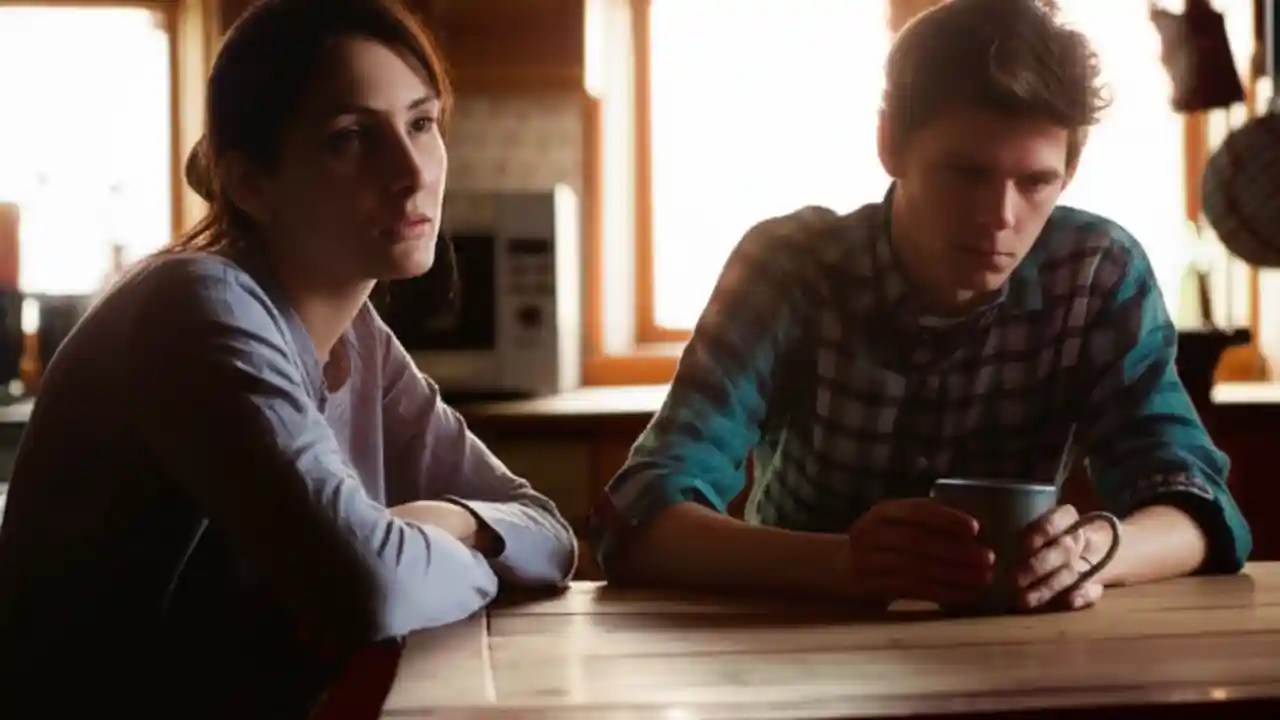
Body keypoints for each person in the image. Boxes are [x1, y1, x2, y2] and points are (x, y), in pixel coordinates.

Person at [0, 0, 576, 714]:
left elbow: (550, 534)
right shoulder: (198, 307)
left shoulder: (357, 335)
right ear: (250, 184)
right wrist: (466, 551)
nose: (411, 171)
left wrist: (444, 520)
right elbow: (371, 586)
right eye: (351, 137)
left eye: (422, 123)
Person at [590, 0, 1251, 613]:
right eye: (966, 173)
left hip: (1015, 660)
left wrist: (1091, 555)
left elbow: (1200, 506)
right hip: (800, 641)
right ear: (890, 145)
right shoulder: (793, 266)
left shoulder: (1098, 272)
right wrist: (843, 565)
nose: (1000, 218)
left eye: (1035, 182)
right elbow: (641, 519)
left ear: (1068, 176)